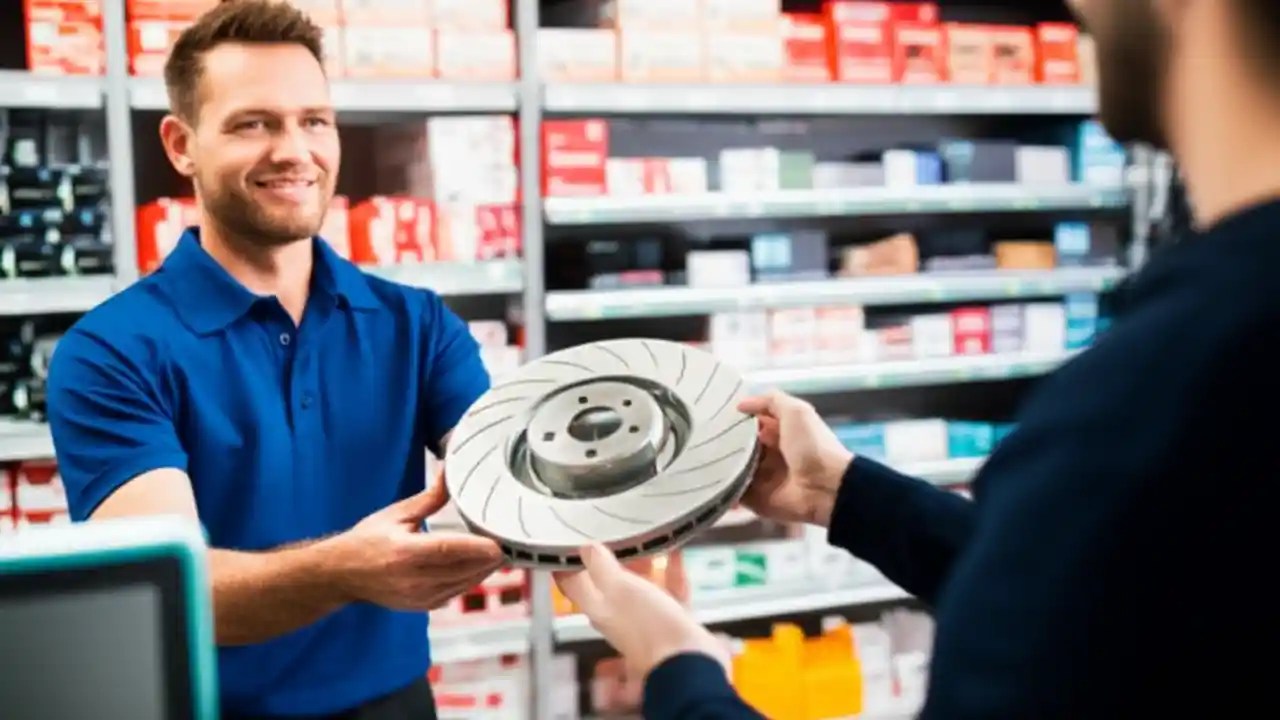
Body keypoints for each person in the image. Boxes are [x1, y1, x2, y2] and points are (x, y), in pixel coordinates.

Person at [555, 0, 1280, 717]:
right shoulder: (1207, 376)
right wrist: (847, 495)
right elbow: (1115, 602)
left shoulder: (1147, 410)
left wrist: (680, 669)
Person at [44, 2, 504, 718]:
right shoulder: (110, 353)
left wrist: (704, 453)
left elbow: (520, 472)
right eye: (252, 123)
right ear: (180, 144)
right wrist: (344, 572)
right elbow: (169, 588)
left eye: (313, 120)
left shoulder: (416, 323)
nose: (294, 150)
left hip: (396, 705)